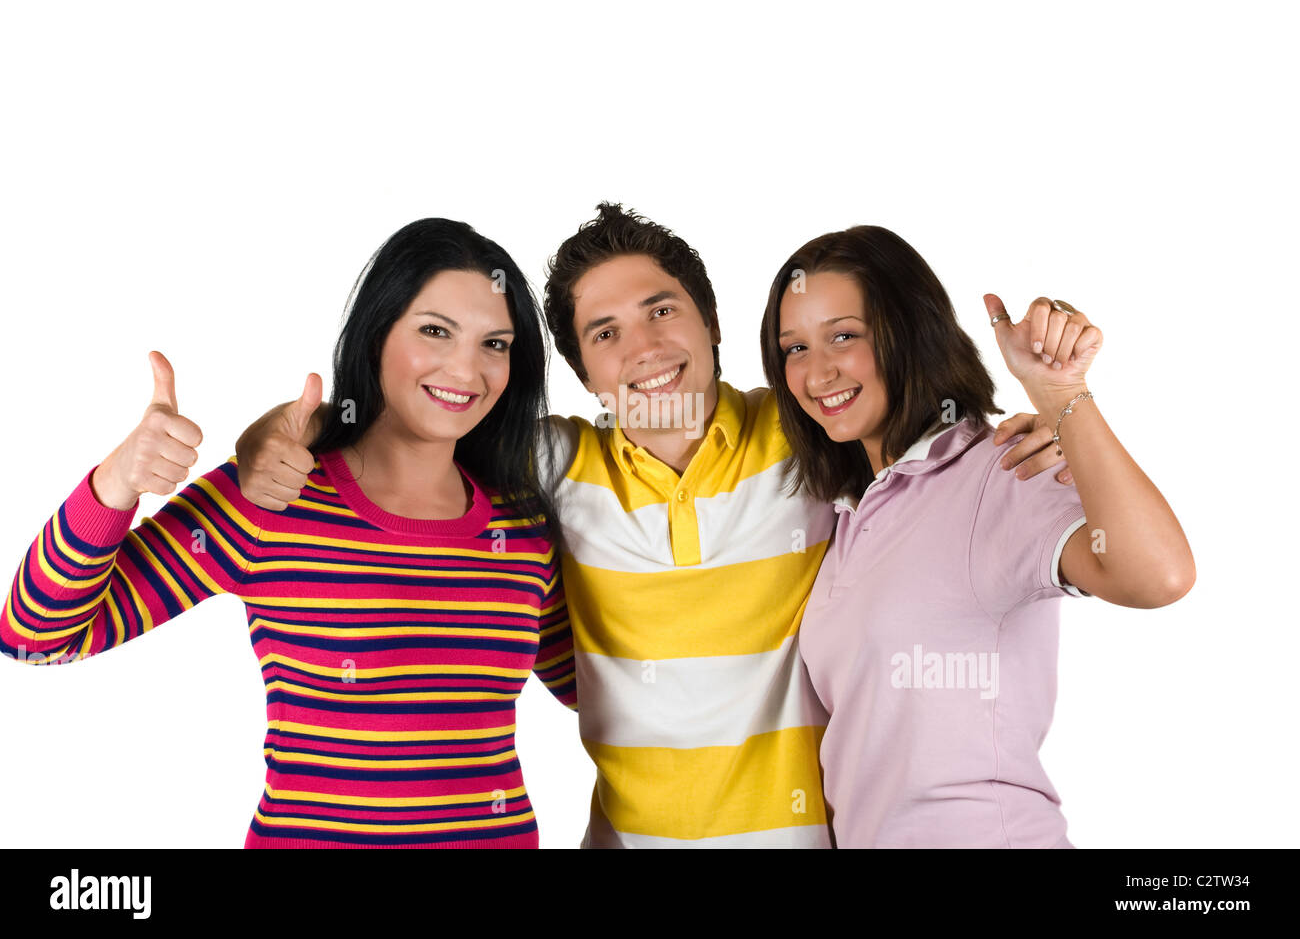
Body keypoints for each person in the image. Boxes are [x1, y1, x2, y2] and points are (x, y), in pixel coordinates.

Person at [235, 204, 1068, 848]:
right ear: (580, 370)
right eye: (606, 333)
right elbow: (420, 414)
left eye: (663, 311)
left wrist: (1025, 429)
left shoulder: (809, 431)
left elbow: (917, 442)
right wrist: (277, 430)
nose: (644, 347)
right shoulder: (552, 467)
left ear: (710, 322)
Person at [0, 218, 577, 848]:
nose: (467, 369)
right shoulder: (272, 492)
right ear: (376, 333)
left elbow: (599, 688)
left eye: (495, 343)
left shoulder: (521, 525)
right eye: (435, 331)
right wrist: (117, 481)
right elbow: (36, 637)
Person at [760, 224, 1195, 848]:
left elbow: (1158, 576)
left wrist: (1062, 394)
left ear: (909, 332)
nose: (817, 371)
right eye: (794, 348)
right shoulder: (851, 512)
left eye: (845, 336)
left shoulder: (998, 468)